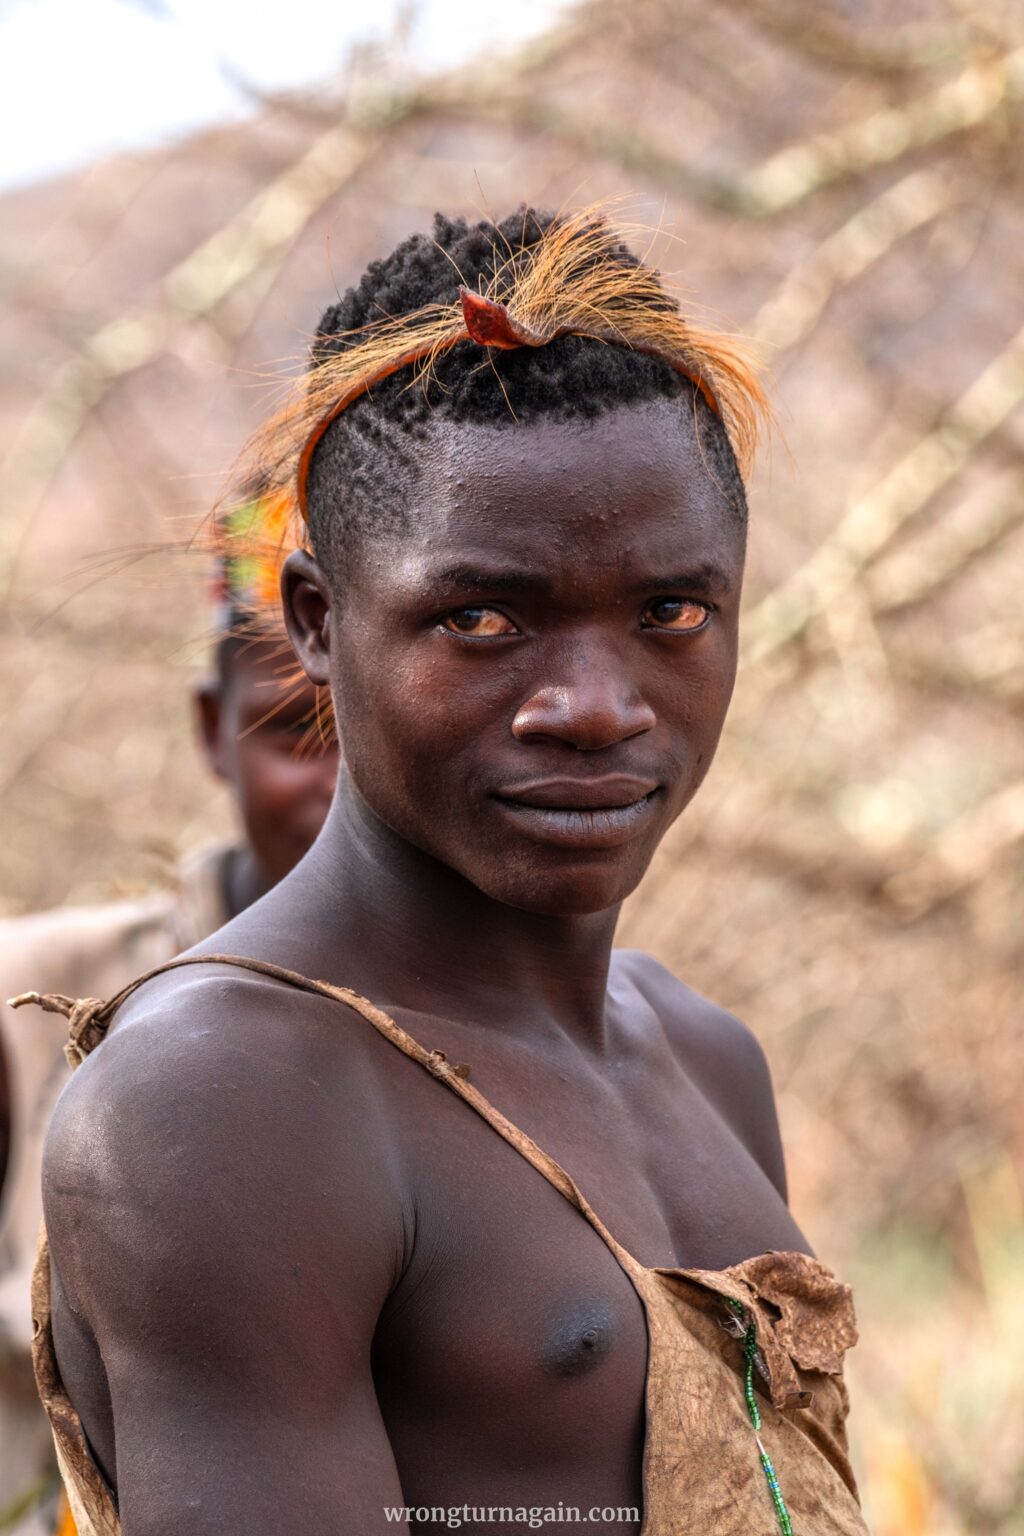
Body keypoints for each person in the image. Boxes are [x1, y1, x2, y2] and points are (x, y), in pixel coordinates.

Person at [23, 207, 868, 1536]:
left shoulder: (704, 1054)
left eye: (669, 612)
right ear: (317, 621)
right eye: (481, 618)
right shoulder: (228, 1098)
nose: (595, 706)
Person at [0, 491, 337, 1536]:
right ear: (210, 731)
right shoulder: (31, 1001)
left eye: (375, 731)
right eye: (299, 733)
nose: (348, 789)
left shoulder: (567, 1029)